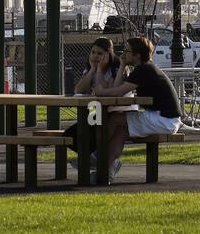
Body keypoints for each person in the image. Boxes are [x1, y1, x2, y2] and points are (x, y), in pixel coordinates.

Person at [94, 37, 182, 184]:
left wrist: (100, 92)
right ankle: (105, 169)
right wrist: (122, 65)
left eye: (127, 51)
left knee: (116, 119)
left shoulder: (143, 70)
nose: (123, 54)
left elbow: (117, 92)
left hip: (164, 120)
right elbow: (117, 90)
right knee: (121, 128)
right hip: (164, 119)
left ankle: (97, 154)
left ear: (137, 56)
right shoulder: (145, 68)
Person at [63, 38, 121, 168]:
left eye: (100, 53)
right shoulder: (90, 69)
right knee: (70, 135)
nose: (95, 56)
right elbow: (79, 89)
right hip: (94, 110)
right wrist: (92, 71)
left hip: (113, 112)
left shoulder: (116, 70)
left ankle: (94, 161)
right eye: (93, 52)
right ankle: (93, 159)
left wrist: (99, 70)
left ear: (108, 55)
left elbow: (106, 90)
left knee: (89, 132)